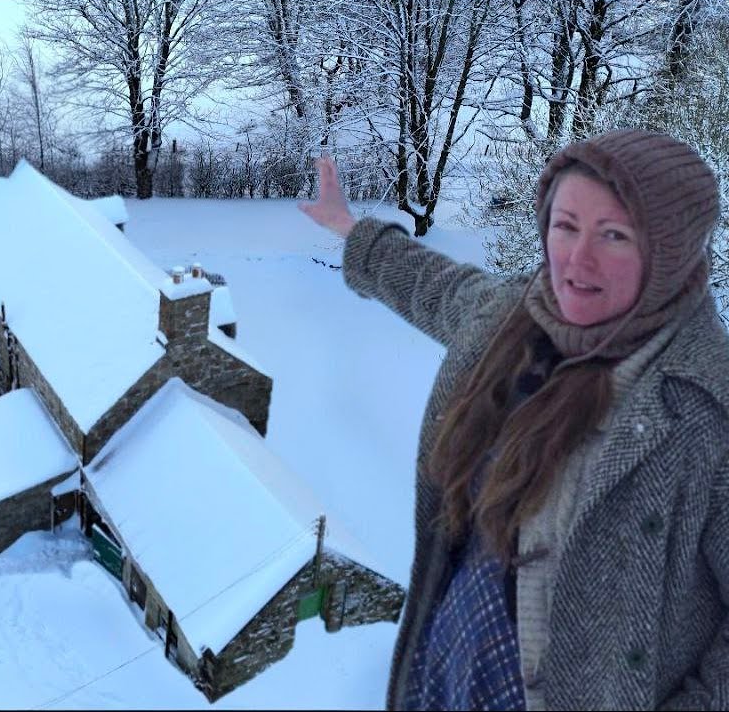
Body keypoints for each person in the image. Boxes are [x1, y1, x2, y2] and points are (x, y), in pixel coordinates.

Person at [300, 129, 729, 711]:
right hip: (450, 670)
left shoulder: (704, 408)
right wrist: (350, 229)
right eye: (566, 225)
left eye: (614, 235)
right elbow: (434, 287)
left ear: (670, 255)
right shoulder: (512, 319)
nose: (577, 261)